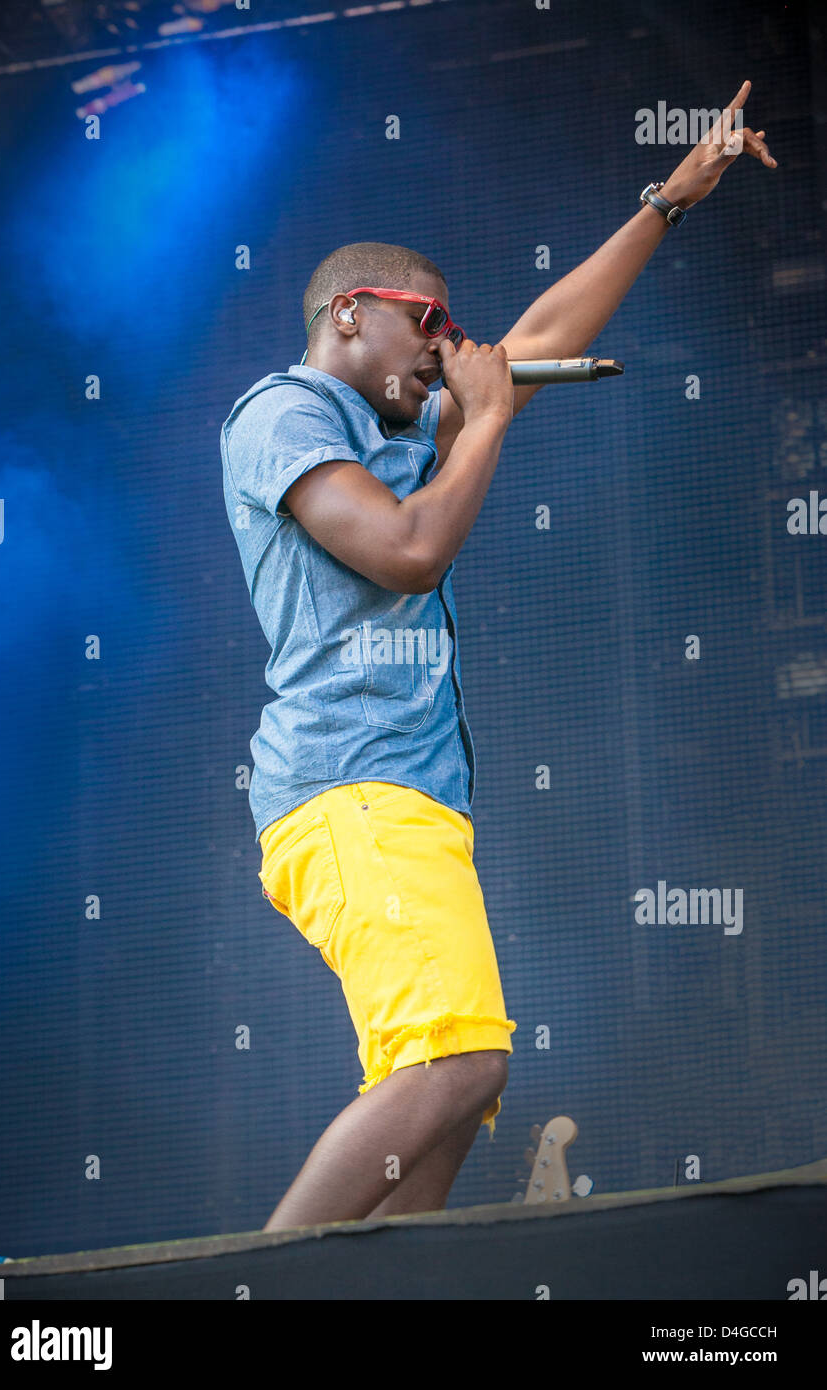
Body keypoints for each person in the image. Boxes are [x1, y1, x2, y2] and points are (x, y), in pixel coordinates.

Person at [220, 83, 775, 1231]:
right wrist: (488, 424)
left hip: (404, 800)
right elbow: (407, 550)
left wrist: (667, 200)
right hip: (351, 789)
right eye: (424, 323)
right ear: (346, 315)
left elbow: (537, 343)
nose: (444, 348)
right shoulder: (284, 410)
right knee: (458, 1066)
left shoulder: (397, 425)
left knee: (441, 1094)